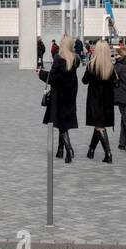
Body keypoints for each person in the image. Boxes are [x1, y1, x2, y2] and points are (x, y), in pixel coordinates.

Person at [40, 33, 79, 163]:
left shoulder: (59, 58)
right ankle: (60, 150)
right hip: (70, 95)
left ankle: (69, 149)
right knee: (63, 123)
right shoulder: (74, 59)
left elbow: (53, 78)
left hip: (59, 96)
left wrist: (40, 73)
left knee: (61, 124)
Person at [81, 40, 116, 163]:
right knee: (98, 125)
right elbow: (115, 84)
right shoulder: (111, 67)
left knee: (99, 126)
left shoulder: (91, 65)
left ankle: (108, 154)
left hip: (95, 100)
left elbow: (84, 81)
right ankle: (91, 151)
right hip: (107, 101)